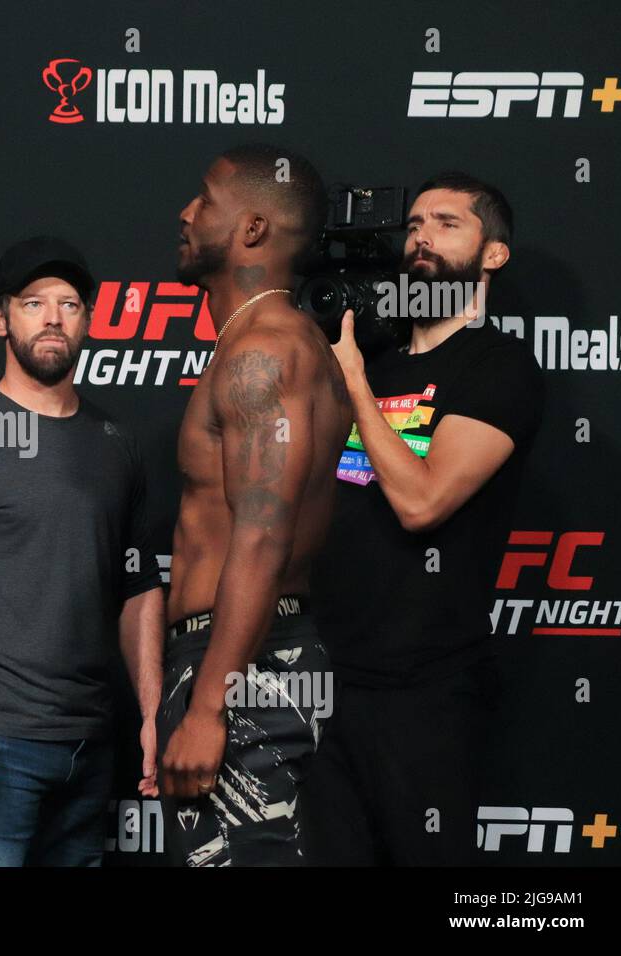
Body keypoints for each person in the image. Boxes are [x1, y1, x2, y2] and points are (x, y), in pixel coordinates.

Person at [301, 172, 545, 866]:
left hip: (425, 694)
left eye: (446, 223)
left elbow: (421, 502)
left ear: (493, 254)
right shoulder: (376, 365)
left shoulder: (499, 369)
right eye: (413, 225)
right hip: (332, 685)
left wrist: (350, 383)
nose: (422, 238)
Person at [0, 236, 164, 866]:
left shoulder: (114, 443)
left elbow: (139, 586)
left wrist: (152, 713)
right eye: (33, 302)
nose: (52, 318)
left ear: (88, 322)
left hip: (90, 745)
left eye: (69, 304)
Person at [159, 144, 351, 866]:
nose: (185, 213)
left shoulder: (263, 353)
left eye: (204, 200)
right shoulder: (276, 345)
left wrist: (209, 707)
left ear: (252, 230)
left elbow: (262, 539)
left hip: (242, 665)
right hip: (244, 660)